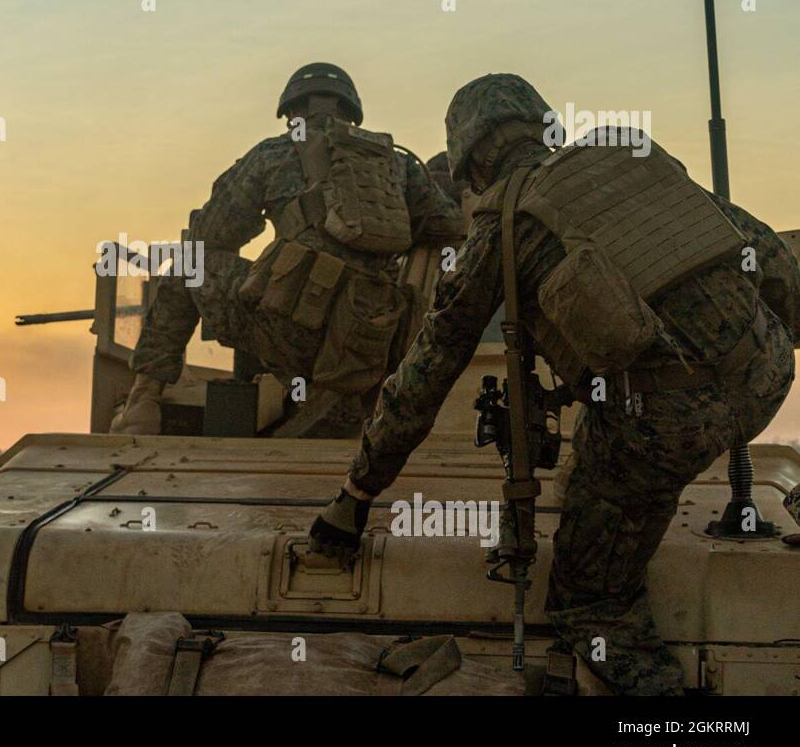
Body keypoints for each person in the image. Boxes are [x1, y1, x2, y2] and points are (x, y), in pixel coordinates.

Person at [310, 72, 799, 693]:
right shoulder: (632, 159)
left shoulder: (498, 230)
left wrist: (354, 497)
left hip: (664, 428)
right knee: (612, 430)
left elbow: (424, 377)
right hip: (770, 372)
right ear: (544, 126)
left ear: (472, 160)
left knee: (588, 602)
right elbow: (769, 259)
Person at [111, 62, 463, 438]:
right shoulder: (398, 164)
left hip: (293, 330)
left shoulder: (272, 155)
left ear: (292, 112)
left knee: (190, 260)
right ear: (352, 115)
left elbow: (211, 233)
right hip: (370, 341)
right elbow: (449, 225)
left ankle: (142, 403)